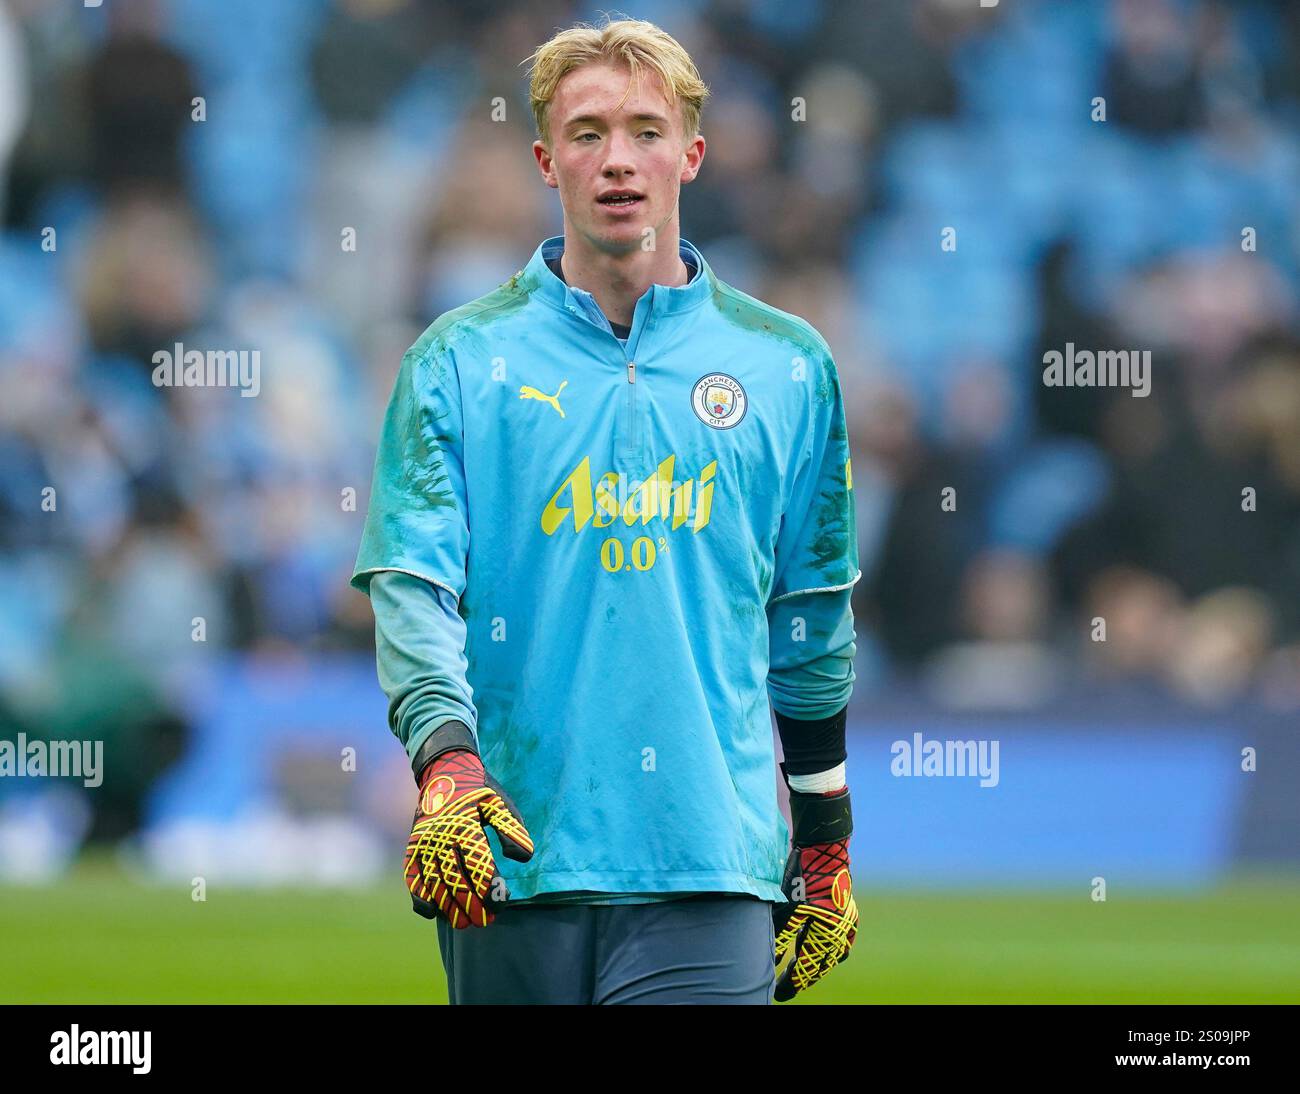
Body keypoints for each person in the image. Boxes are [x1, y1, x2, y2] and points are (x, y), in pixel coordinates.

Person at [352, 16, 861, 1005]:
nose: (616, 159)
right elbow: (412, 589)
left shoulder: (789, 367)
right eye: (587, 133)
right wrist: (445, 760)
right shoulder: (457, 363)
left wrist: (827, 840)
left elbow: (812, 624)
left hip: (708, 863)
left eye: (644, 129)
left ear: (691, 154)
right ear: (546, 159)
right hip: (508, 853)